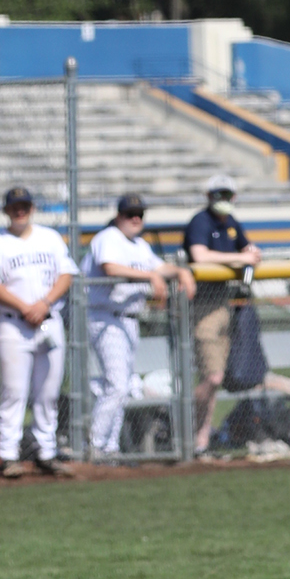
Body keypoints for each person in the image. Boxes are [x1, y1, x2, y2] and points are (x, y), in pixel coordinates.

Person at [82, 194, 193, 459]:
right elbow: (109, 267)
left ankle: (110, 448)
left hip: (129, 320)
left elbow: (159, 267)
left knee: (123, 386)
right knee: (118, 385)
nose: (135, 218)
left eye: (139, 214)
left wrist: (181, 271)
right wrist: (151, 276)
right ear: (118, 215)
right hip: (106, 317)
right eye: (130, 213)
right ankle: (95, 444)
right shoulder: (108, 237)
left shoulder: (139, 245)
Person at [0, 186, 78, 477]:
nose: (19, 211)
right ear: (6, 210)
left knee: (48, 392)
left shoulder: (49, 237)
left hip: (49, 320)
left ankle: (45, 451)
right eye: (14, 206)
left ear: (32, 208)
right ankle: (9, 454)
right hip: (14, 323)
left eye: (24, 205)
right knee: (14, 392)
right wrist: (26, 307)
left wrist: (45, 303)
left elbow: (66, 274)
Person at [182, 174, 262, 454]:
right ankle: (186, 428)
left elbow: (246, 248)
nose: (223, 201)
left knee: (218, 379)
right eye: (218, 195)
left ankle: (201, 439)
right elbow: (200, 255)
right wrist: (240, 258)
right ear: (208, 196)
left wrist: (250, 251)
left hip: (226, 307)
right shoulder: (200, 222)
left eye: (227, 195)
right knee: (212, 377)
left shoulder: (231, 224)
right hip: (203, 307)